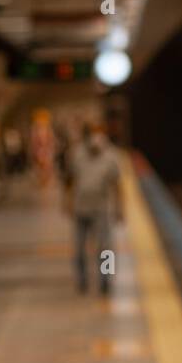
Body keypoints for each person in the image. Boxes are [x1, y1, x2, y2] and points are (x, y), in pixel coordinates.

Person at [66, 126, 123, 295]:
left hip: (102, 208)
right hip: (80, 207)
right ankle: (81, 279)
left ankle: (107, 280)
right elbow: (71, 179)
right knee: (78, 247)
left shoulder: (112, 157)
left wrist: (120, 208)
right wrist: (67, 201)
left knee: (106, 247)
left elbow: (117, 185)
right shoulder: (77, 155)